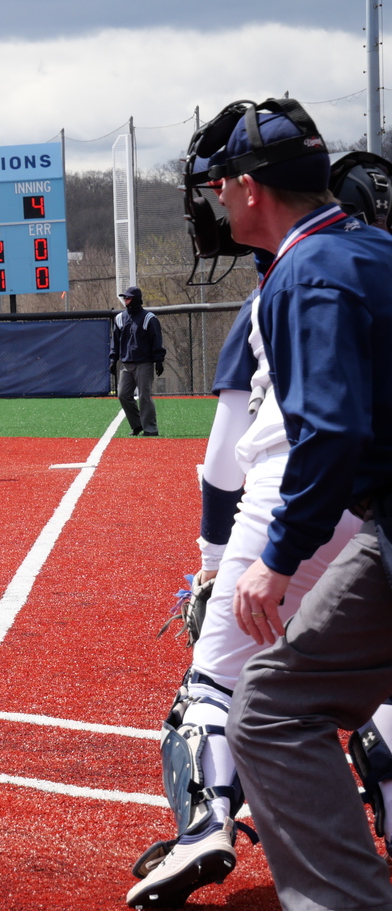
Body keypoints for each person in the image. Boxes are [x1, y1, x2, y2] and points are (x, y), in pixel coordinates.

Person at [126, 147, 392, 910]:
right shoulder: (376, 259)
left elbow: (226, 459)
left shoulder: (290, 282)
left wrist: (222, 562)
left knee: (230, 689)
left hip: (298, 491)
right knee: (372, 683)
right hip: (368, 508)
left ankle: (206, 825)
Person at [110, 286, 165, 437]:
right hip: (126, 365)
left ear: (136, 299)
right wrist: (113, 359)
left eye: (128, 298)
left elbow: (156, 341)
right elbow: (115, 342)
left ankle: (150, 428)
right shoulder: (120, 318)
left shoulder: (149, 318)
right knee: (123, 395)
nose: (125, 300)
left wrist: (159, 360)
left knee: (144, 396)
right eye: (125, 298)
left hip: (144, 363)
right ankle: (137, 424)